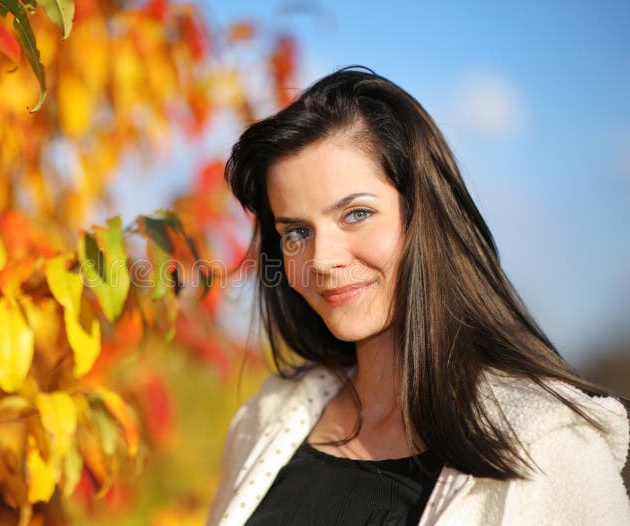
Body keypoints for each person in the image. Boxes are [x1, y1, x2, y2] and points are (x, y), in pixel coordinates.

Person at [207, 67, 630, 525]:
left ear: (427, 215)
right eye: (296, 232)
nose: (322, 260)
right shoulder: (266, 423)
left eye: (356, 214)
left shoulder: (552, 445)